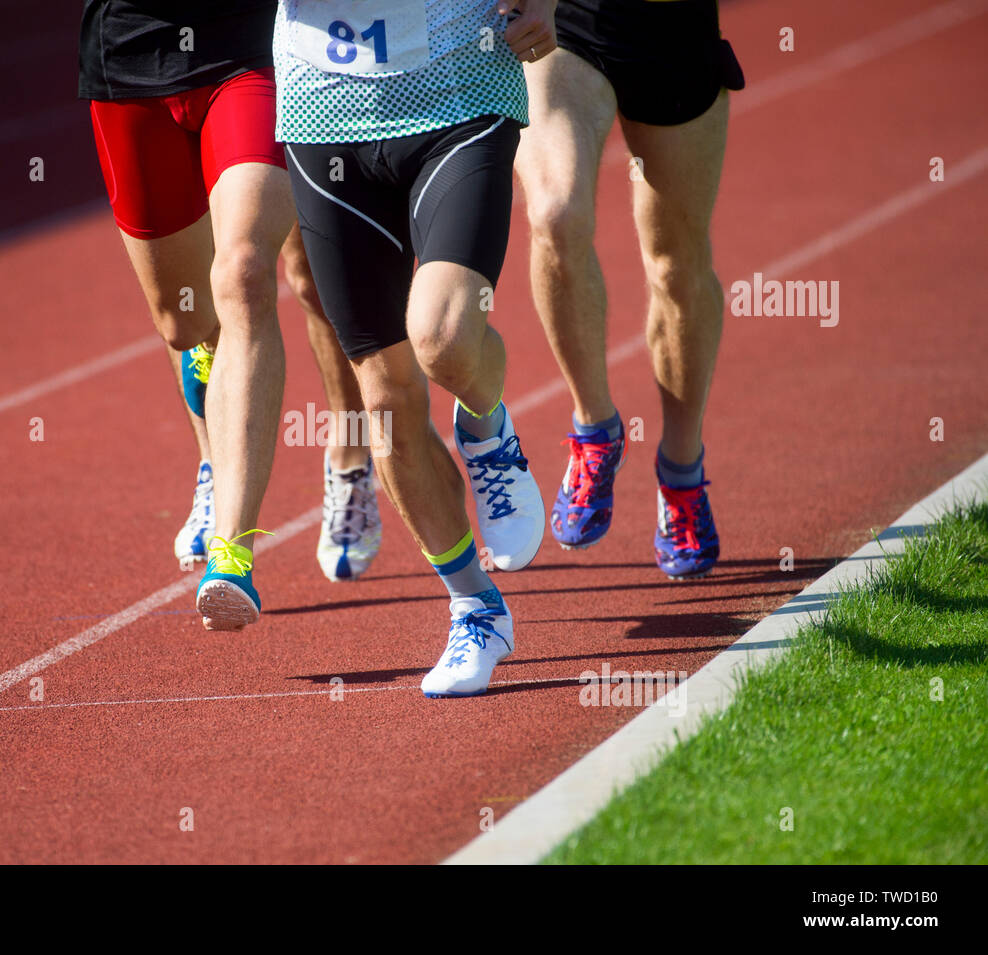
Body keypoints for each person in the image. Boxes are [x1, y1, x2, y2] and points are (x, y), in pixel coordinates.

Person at [274, 0, 556, 697]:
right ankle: (475, 608)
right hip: (323, 114)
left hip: (459, 88)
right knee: (384, 393)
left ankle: (487, 431)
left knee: (443, 335)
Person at [78, 1, 383, 630]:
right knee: (184, 322)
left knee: (249, 273)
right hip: (128, 59)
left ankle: (238, 547)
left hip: (255, 50)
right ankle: (216, 457)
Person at [514, 0, 743, 579]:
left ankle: (682, 470)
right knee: (556, 213)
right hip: (568, 19)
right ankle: (595, 429)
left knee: (675, 268)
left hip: (672, 32)